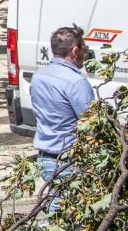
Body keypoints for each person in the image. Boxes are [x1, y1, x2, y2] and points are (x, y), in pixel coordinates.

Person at [31, 25, 95, 215]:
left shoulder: (39, 76)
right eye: (84, 49)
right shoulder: (76, 82)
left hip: (45, 157)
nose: (85, 54)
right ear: (75, 50)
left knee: (60, 209)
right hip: (68, 160)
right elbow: (91, 123)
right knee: (62, 215)